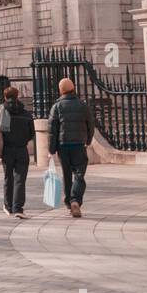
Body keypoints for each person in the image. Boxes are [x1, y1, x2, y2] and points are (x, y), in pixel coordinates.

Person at [48, 78, 95, 218]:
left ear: (61, 90)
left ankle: (69, 203)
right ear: (73, 88)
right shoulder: (82, 105)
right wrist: (88, 140)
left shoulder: (56, 107)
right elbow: (90, 125)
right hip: (79, 144)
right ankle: (75, 199)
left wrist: (51, 149)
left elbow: (52, 130)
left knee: (67, 175)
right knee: (79, 174)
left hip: (63, 145)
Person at [0, 86, 35, 218]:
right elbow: (31, 134)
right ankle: (18, 208)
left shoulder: (3, 112)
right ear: (18, 97)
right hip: (22, 149)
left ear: (5, 97)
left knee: (8, 177)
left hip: (8, 149)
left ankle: (8, 205)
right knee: (20, 179)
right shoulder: (26, 113)